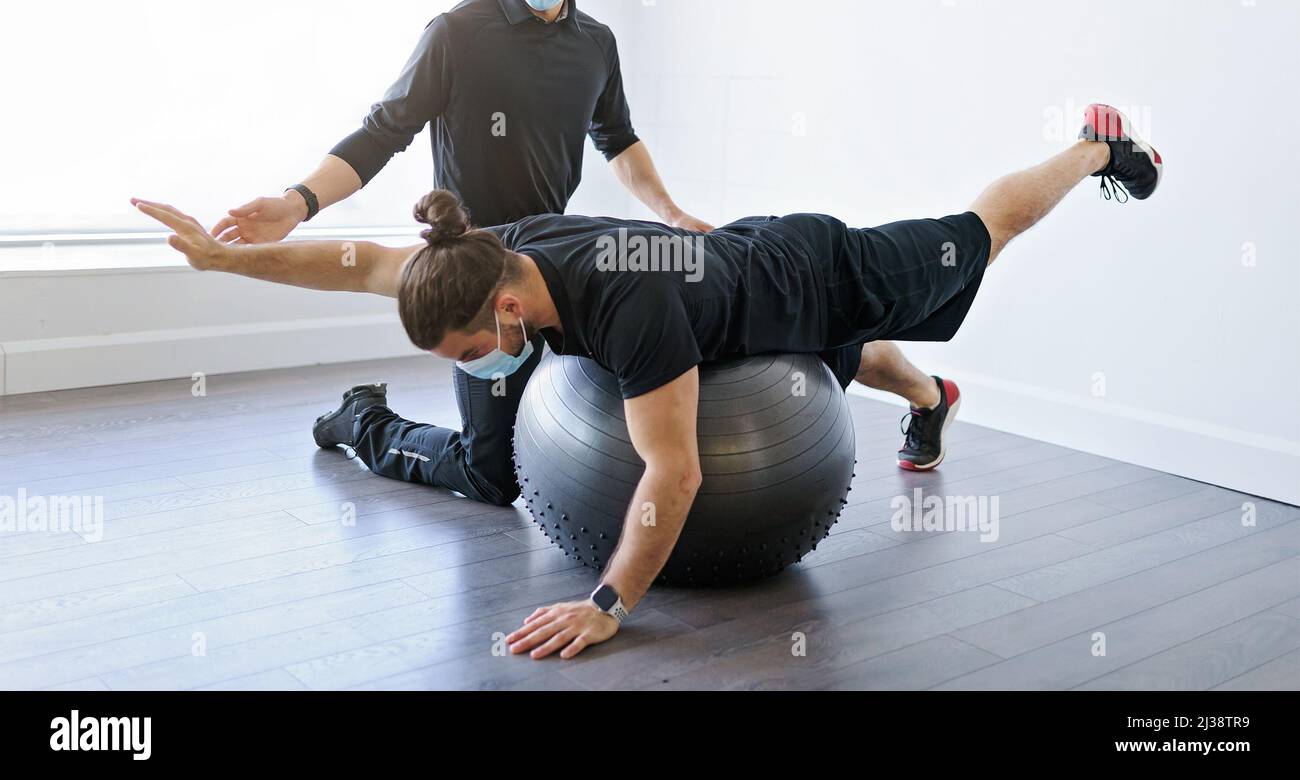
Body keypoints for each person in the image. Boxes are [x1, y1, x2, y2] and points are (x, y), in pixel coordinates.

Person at [134, 101, 1163, 658]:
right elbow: (363, 263)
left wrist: (608, 604)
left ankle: (1091, 146)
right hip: (740, 283)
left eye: (463, 357)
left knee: (985, 230)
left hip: (814, 268)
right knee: (842, 353)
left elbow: (673, 473)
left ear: (500, 312)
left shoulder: (627, 310)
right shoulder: (485, 255)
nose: (476, 373)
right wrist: (229, 255)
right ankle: (931, 399)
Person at [203, 0, 956, 504]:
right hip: (479, 273)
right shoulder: (456, 35)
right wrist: (298, 202)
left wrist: (675, 214)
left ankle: (928, 395)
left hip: (567, 268)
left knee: (770, 315)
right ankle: (361, 419)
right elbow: (382, 131)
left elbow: (617, 140)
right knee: (493, 476)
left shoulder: (596, 44)